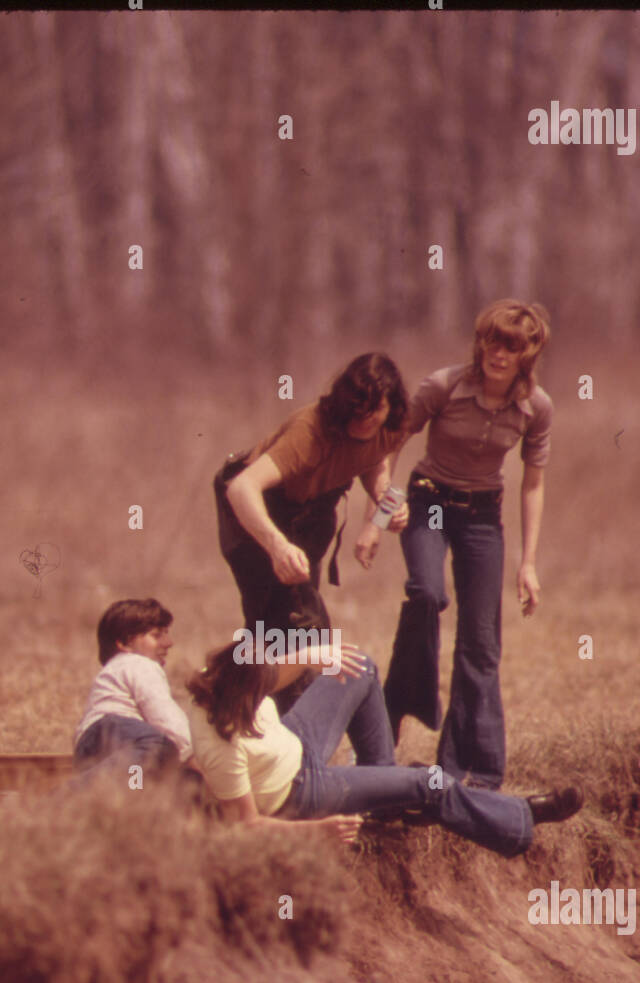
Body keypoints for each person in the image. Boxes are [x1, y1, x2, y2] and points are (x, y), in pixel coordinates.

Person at [377, 300, 552, 790]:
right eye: (492, 342)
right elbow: (392, 442)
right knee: (427, 594)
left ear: (528, 353)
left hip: (482, 515)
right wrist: (380, 513)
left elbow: (533, 485)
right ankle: (396, 713)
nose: (498, 355)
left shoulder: (536, 407)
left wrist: (529, 564)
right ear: (480, 343)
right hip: (429, 501)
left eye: (511, 347)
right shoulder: (443, 385)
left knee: (481, 643)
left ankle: (467, 770)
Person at [186, 638, 582, 854]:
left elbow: (264, 675)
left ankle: (384, 796)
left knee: (358, 665)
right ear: (240, 698)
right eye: (260, 692)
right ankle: (518, 819)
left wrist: (309, 656)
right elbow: (245, 826)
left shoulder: (216, 677)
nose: (268, 694)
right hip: (300, 791)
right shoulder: (221, 748)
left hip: (295, 739)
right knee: (429, 781)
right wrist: (317, 832)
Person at [214, 353, 411, 705]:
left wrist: (382, 514)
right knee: (288, 620)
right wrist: (277, 547)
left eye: (375, 411)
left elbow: (376, 466)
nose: (365, 419)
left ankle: (253, 709)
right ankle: (243, 713)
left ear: (390, 407)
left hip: (310, 509)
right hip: (257, 504)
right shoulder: (311, 430)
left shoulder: (393, 425)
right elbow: (241, 489)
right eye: (357, 408)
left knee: (296, 618)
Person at [73, 598, 194, 777]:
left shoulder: (118, 668)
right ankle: (61, 799)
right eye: (157, 635)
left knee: (157, 780)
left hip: (103, 750)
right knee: (160, 746)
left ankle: (108, 792)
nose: (169, 642)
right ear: (125, 643)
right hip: (112, 732)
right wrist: (193, 757)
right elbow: (166, 718)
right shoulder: (137, 663)